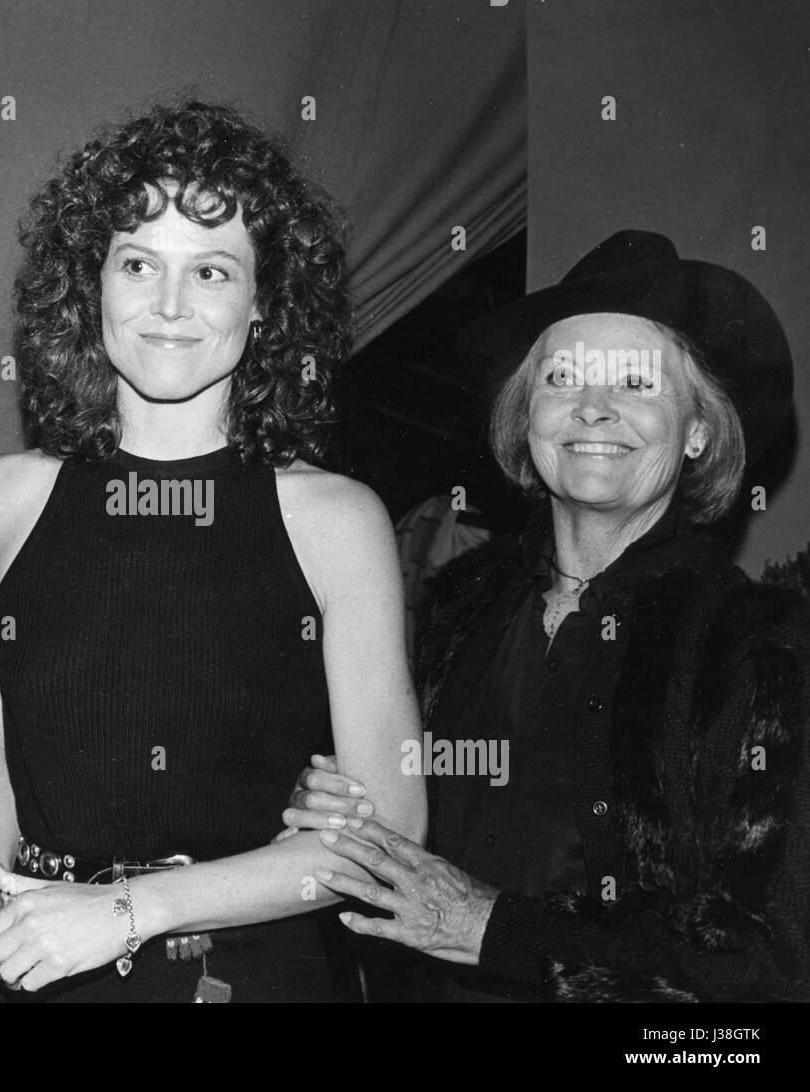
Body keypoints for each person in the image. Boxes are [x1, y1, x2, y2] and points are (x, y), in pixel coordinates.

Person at [0, 102, 426, 1003]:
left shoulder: (334, 519)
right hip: (37, 964)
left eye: (211, 270)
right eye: (136, 264)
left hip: (245, 975)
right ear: (92, 284)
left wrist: (129, 909)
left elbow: (386, 844)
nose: (168, 306)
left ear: (264, 299)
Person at [284, 230, 810, 1002]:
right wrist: (343, 808)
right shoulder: (459, 601)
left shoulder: (763, 648)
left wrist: (496, 930)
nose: (594, 408)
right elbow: (407, 826)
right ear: (526, 415)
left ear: (699, 430)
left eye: (638, 383)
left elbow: (770, 971)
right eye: (563, 377)